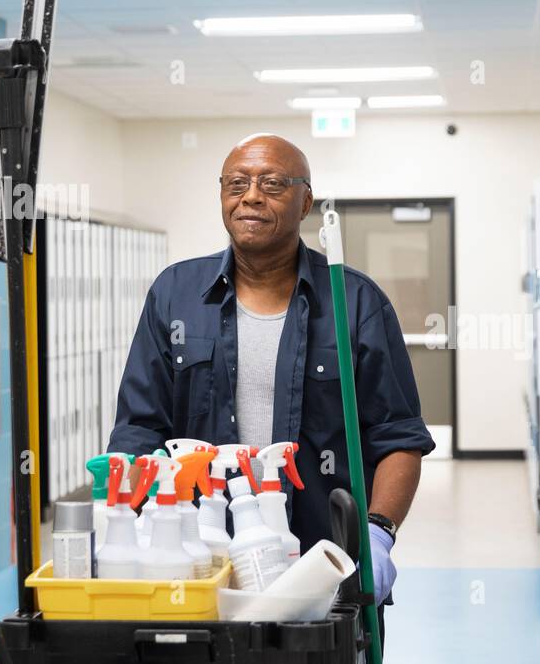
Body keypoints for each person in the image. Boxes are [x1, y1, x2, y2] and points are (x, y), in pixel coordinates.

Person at [106, 133, 434, 626]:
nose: (251, 196)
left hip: (323, 566)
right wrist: (121, 525)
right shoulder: (175, 293)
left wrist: (379, 534)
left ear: (306, 200)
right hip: (198, 558)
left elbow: (398, 438)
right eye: (236, 183)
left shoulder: (355, 302)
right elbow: (138, 430)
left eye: (272, 183)